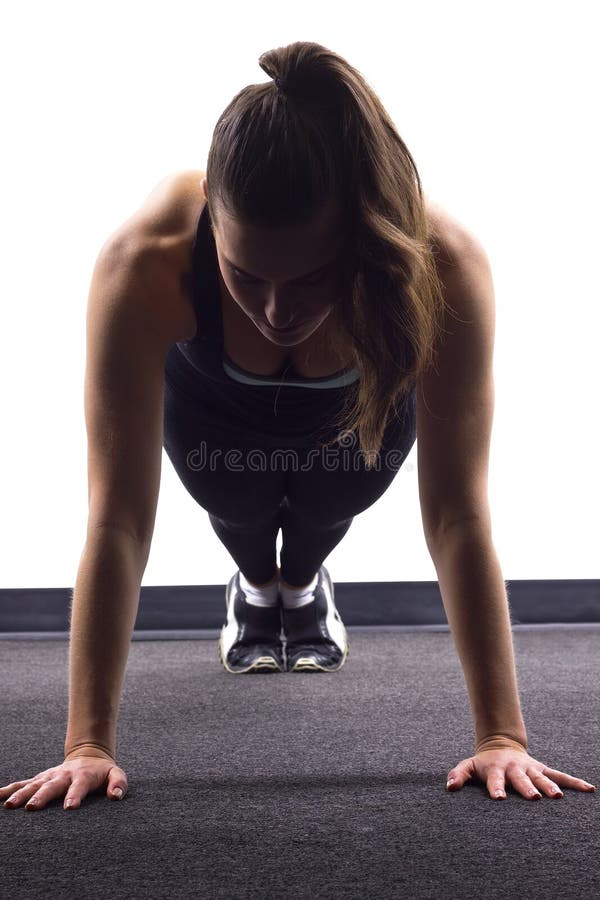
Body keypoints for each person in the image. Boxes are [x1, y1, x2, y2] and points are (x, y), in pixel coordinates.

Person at [1, 41, 595, 813]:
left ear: (364, 230)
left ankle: (301, 582)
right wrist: (87, 745)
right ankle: (259, 585)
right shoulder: (146, 260)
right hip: (216, 412)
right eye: (246, 276)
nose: (277, 313)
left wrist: (502, 737)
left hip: (353, 417)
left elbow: (457, 512)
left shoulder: (440, 264)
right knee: (245, 517)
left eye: (311, 279)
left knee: (319, 514)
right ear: (213, 211)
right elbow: (117, 516)